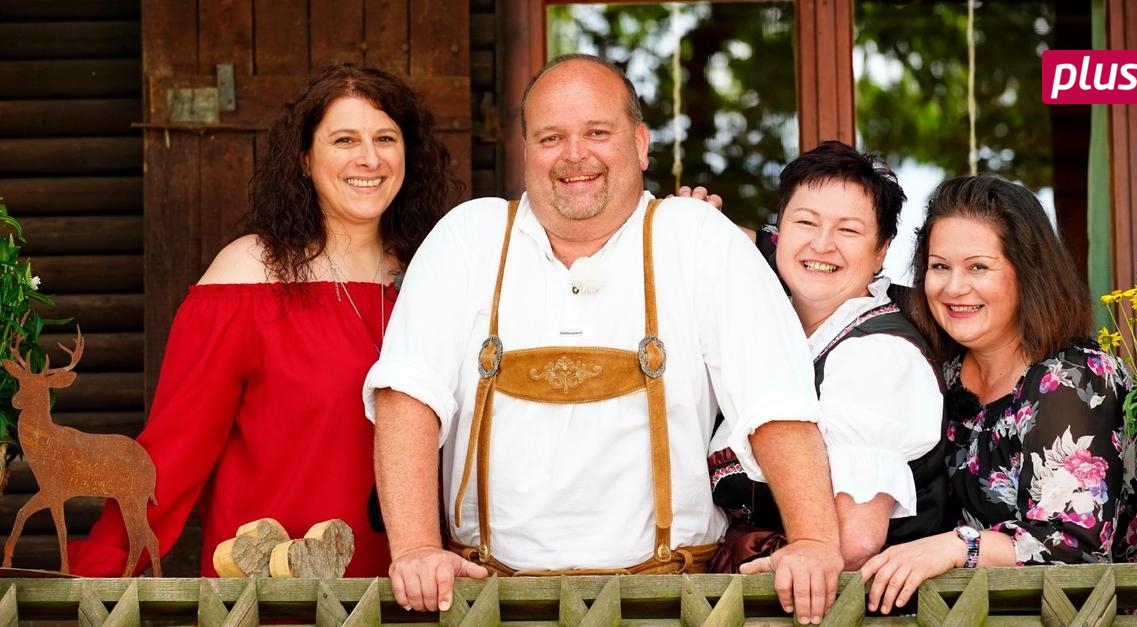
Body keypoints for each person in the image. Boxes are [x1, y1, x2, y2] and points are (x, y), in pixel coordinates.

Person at [365, 54, 842, 623]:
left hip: (671, 606)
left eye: (597, 132)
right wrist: (417, 547)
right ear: (525, 153)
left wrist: (813, 538)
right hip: (488, 605)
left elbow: (774, 400)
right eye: (551, 137)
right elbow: (407, 399)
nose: (574, 155)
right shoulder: (468, 237)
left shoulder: (697, 239)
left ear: (640, 144)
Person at [68, 64, 461, 577]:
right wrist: (103, 572)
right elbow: (175, 448)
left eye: (386, 138)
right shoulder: (248, 277)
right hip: (276, 586)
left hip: (418, 587)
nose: (369, 158)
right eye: (344, 139)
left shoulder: (438, 275)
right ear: (304, 158)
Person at [860, 174, 1137, 614]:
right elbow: (835, 272)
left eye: (978, 266)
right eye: (940, 266)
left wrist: (958, 546)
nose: (954, 287)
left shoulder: (1075, 378)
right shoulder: (941, 368)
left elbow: (1073, 550)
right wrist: (723, 226)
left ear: (1026, 271)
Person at [706, 141, 946, 573]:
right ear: (779, 232)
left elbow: (853, 543)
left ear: (881, 250)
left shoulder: (879, 354)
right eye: (805, 222)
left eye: (849, 231)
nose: (822, 244)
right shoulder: (778, 329)